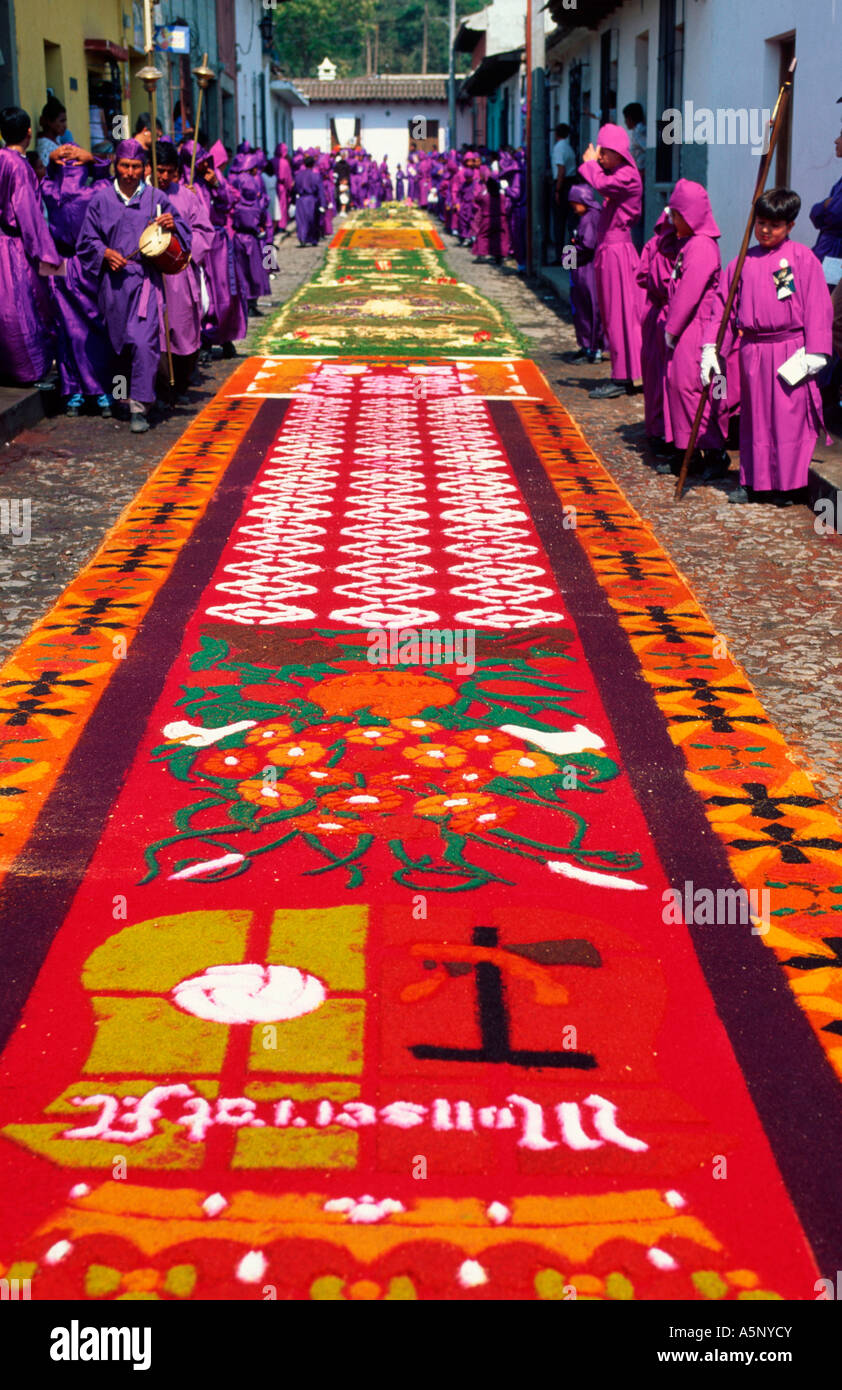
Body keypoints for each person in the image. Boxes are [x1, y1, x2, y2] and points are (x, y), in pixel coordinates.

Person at [702, 188, 832, 506]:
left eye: (773, 225)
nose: (765, 231)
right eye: (760, 223)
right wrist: (710, 346)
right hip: (754, 350)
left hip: (791, 349)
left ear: (788, 226)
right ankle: (753, 482)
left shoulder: (803, 259)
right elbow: (723, 307)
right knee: (756, 419)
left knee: (788, 418)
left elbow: (818, 306)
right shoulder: (742, 262)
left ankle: (788, 486)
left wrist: (816, 352)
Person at [76, 137, 191, 431]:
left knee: (144, 342)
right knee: (119, 343)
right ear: (116, 164)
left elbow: (183, 236)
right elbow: (86, 241)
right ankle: (119, 397)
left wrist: (172, 225)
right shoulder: (101, 200)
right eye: (125, 165)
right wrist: (104, 252)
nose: (130, 172)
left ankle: (141, 406)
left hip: (145, 284)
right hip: (113, 285)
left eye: (136, 166)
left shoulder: (155, 199)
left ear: (144, 168)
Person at [658, 180, 732, 481]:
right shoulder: (689, 242)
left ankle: (713, 452)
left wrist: (672, 329)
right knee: (679, 387)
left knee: (692, 389)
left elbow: (689, 293)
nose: (673, 221)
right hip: (687, 325)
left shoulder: (701, 246)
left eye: (677, 215)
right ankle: (687, 449)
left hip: (696, 325)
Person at [41, 146, 114, 415]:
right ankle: (103, 390)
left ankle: (74, 392)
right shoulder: (95, 192)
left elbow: (47, 176)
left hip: (59, 263)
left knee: (66, 329)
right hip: (89, 263)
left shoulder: (49, 191)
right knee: (95, 325)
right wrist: (93, 158)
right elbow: (107, 175)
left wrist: (52, 160)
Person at [578, 123, 644, 398]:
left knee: (619, 315)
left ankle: (622, 376)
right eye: (600, 152)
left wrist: (591, 164)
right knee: (617, 314)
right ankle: (628, 372)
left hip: (616, 252)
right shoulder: (620, 172)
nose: (601, 157)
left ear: (618, 152)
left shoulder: (626, 175)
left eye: (606, 152)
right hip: (612, 250)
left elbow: (602, 182)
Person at [0, 105, 63, 385]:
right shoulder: (19, 165)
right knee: (24, 307)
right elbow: (28, 216)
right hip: (14, 246)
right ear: (28, 132)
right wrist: (48, 255)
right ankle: (28, 369)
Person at [154, 141, 214, 399]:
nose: (164, 177)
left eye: (169, 171)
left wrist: (180, 232)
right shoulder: (142, 194)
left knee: (181, 329)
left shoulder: (187, 197)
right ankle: (155, 388)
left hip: (178, 272)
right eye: (159, 170)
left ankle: (179, 384)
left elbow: (204, 232)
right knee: (153, 331)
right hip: (150, 275)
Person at [180, 141, 247, 357]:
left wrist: (217, 185)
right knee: (204, 292)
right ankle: (206, 339)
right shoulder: (184, 183)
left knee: (226, 291)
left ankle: (226, 336)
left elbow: (228, 203)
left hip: (219, 242)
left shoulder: (214, 175)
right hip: (199, 245)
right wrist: (185, 194)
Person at [636, 208, 680, 457]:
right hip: (656, 311)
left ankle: (664, 430)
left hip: (665, 311)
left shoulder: (681, 246)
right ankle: (657, 428)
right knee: (655, 372)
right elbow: (642, 276)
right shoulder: (656, 245)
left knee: (663, 374)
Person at [567, 183, 604, 364]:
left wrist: (569, 253)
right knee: (579, 306)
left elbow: (587, 245)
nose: (573, 207)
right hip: (578, 267)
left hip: (588, 267)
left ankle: (593, 348)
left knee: (591, 308)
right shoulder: (581, 216)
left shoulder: (591, 216)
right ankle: (584, 345)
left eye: (575, 202)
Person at [809, 124, 842, 285]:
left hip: (835, 257)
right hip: (826, 253)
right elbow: (817, 215)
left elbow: (835, 214)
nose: (836, 141)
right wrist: (823, 206)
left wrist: (823, 208)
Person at [471, 168, 512, 264]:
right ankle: (500, 255)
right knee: (501, 237)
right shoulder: (502, 195)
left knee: (483, 236)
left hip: (487, 219)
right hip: (501, 219)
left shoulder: (485, 195)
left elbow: (477, 200)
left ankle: (481, 255)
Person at [552, 123, 577, 262]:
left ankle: (559, 257)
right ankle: (570, 259)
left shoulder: (559, 148)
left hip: (563, 184)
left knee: (559, 223)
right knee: (571, 224)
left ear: (556, 134)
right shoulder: (569, 148)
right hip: (571, 183)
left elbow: (561, 169)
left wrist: (557, 189)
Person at [294, 153, 322, 247]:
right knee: (312, 220)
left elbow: (295, 188)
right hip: (311, 199)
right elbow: (320, 190)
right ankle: (313, 239)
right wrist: (323, 203)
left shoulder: (298, 175)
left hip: (301, 199)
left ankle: (302, 238)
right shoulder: (315, 175)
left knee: (301, 220)